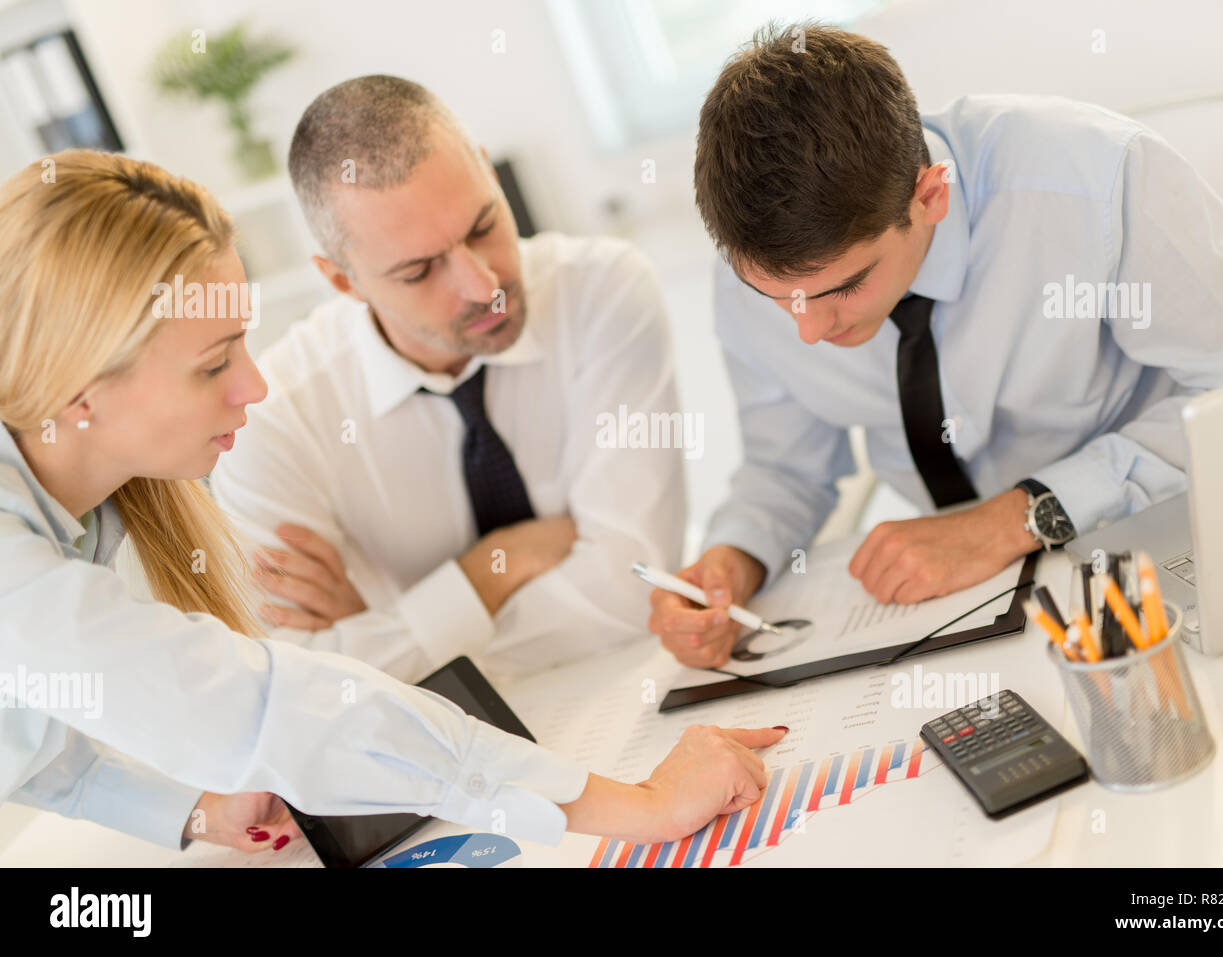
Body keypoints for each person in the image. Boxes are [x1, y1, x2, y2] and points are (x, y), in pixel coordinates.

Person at [0, 149, 783, 856]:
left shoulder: (78, 511)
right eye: (213, 365)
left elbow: (35, 739)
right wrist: (639, 805)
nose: (254, 385)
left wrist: (191, 810)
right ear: (80, 393)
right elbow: (274, 703)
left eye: (242, 342)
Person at [649, 23, 1223, 669]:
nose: (809, 331)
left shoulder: (1092, 181)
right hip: (972, 602)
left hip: (1163, 546)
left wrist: (1016, 518)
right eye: (774, 297)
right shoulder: (760, 266)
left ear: (931, 196)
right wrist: (733, 560)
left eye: (844, 287)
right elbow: (786, 468)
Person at [207, 75, 687, 682]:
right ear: (344, 281)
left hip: (629, 684)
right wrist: (488, 571)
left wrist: (386, 643)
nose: (482, 286)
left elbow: (631, 588)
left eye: (483, 226)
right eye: (420, 271)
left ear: (488, 174)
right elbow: (295, 682)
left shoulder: (603, 292)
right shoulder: (273, 418)